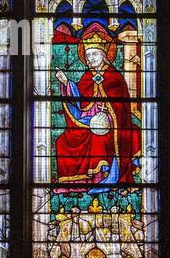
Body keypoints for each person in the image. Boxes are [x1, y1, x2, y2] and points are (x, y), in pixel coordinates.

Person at [55, 24, 139, 189]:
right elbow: (80, 101)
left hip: (111, 125)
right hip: (87, 121)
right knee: (62, 141)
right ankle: (80, 183)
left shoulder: (114, 78)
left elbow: (121, 110)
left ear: (104, 55)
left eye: (94, 54)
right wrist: (66, 83)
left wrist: (108, 118)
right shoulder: (87, 76)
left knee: (98, 139)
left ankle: (102, 180)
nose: (90, 59)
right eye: (87, 56)